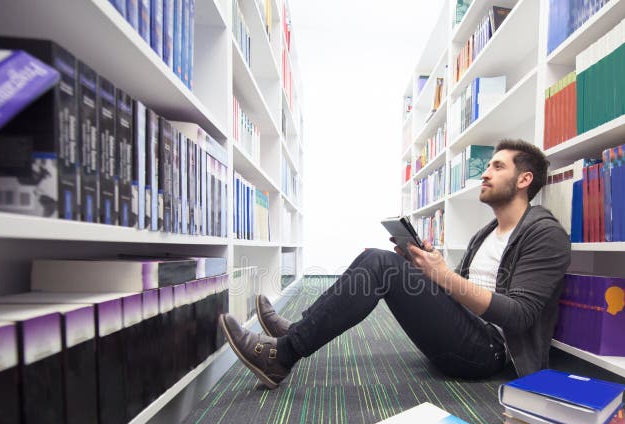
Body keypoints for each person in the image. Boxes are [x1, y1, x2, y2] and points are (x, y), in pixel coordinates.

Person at [219, 139, 572, 389]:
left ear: (524, 180)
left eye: (498, 166)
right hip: (468, 331)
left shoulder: (546, 236)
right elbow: (464, 292)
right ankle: (298, 328)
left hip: (491, 353)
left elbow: (520, 316)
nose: (485, 173)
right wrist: (426, 266)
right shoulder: (488, 232)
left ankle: (281, 356)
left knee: (380, 263)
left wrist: (443, 276)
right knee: (378, 258)